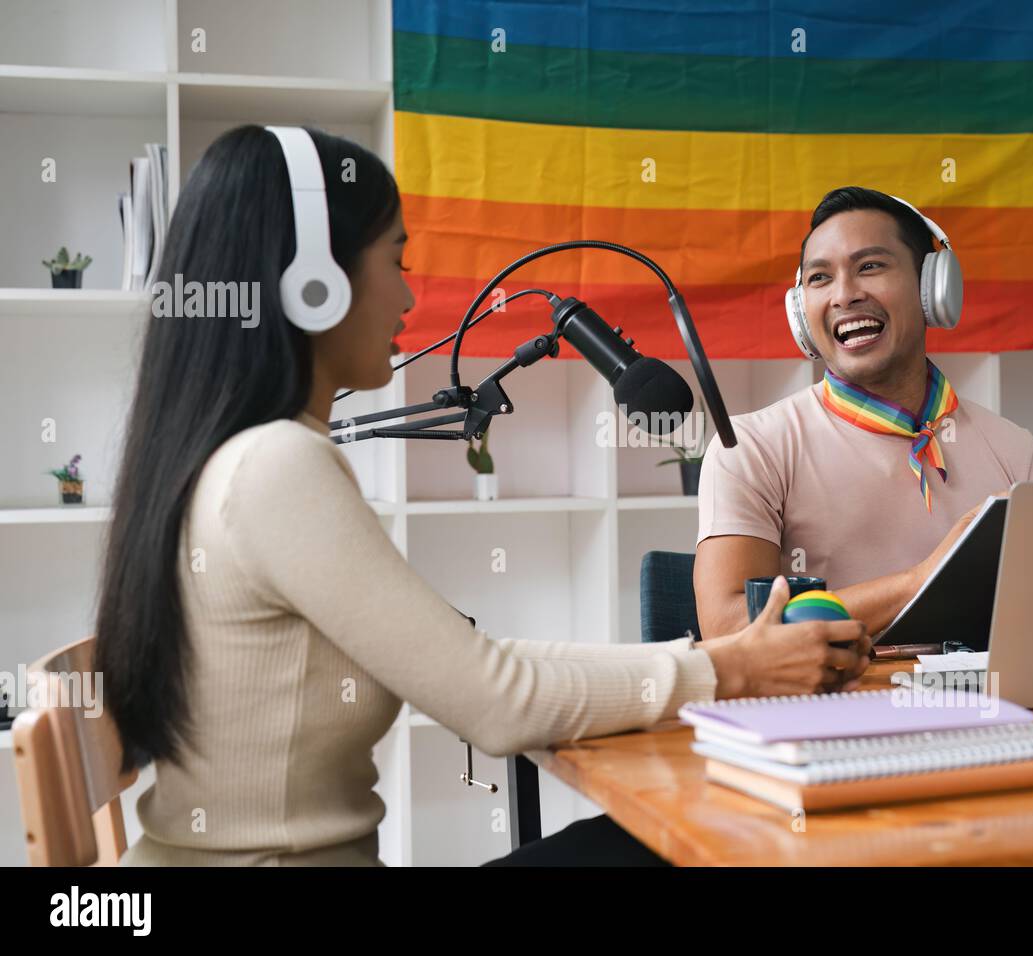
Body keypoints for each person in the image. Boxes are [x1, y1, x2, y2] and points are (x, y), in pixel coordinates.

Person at [94, 126, 865, 866]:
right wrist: (730, 671)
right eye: (394, 260)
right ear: (315, 282)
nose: (408, 294)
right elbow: (496, 703)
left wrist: (717, 659)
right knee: (685, 845)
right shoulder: (275, 467)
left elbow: (477, 666)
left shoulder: (227, 458)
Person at [694, 187, 1033, 641]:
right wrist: (921, 581)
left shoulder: (1016, 455)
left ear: (932, 288)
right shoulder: (751, 448)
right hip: (823, 710)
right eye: (820, 278)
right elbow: (728, 630)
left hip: (980, 707)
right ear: (801, 314)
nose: (844, 295)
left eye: (869, 267)